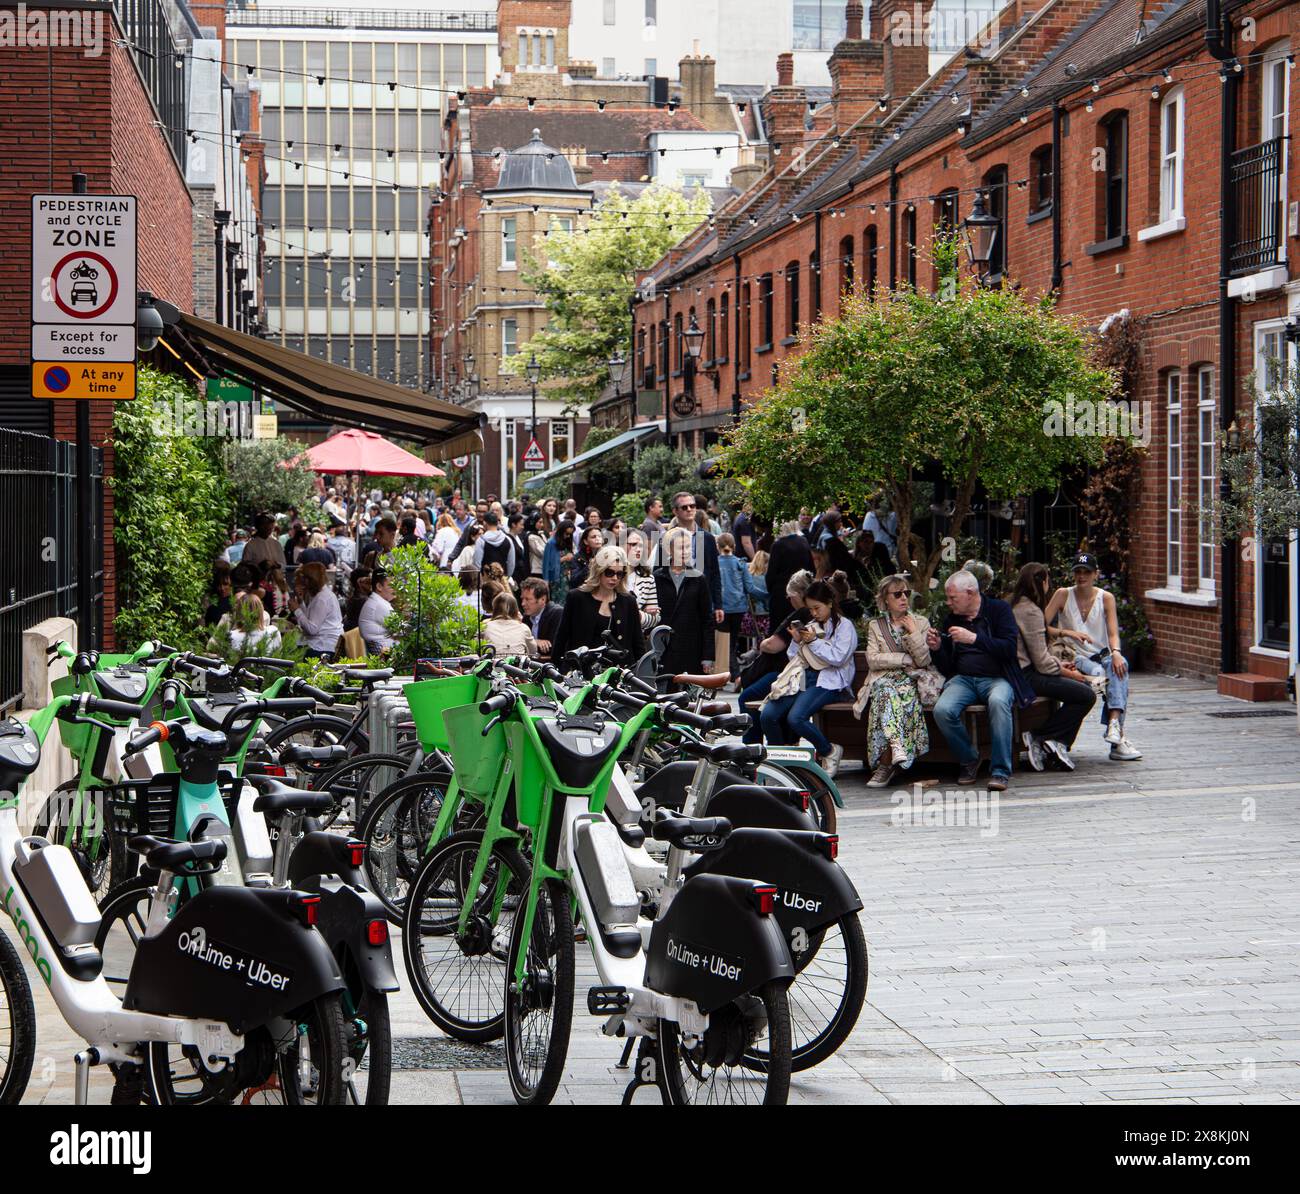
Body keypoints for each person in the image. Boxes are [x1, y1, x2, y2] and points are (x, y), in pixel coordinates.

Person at [926, 569, 1036, 791]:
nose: (948, 603)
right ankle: (969, 759)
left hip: (998, 678)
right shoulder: (952, 619)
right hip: (964, 679)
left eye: (952, 598)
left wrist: (974, 638)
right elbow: (947, 666)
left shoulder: (999, 610)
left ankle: (1000, 772)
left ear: (970, 593)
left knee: (998, 702)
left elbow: (1007, 649)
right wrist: (937, 649)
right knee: (942, 710)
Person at [1044, 553, 1141, 761]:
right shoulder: (1063, 594)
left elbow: (1113, 634)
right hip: (1074, 657)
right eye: (1078, 571)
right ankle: (1118, 739)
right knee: (1100, 680)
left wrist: (1116, 653)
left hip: (1102, 655)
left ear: (1095, 574)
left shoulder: (1106, 598)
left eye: (1086, 572)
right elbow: (1041, 626)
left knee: (1119, 666)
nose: (1081, 576)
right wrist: (1067, 633)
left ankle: (1114, 726)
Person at [757, 578, 857, 777]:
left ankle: (829, 750)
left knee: (796, 718)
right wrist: (797, 642)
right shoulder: (811, 625)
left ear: (829, 603)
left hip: (830, 682)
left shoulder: (845, 627)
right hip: (802, 679)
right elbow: (794, 658)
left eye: (817, 608)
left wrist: (812, 643)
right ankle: (782, 762)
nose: (813, 613)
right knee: (767, 715)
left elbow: (837, 658)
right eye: (810, 609)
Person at [1012, 563, 1097, 772]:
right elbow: (1041, 663)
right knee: (1086, 694)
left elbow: (1039, 654)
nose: (1049, 586)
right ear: (1041, 582)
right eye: (1047, 581)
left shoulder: (1016, 605)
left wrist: (1061, 665)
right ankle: (1043, 737)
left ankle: (1055, 742)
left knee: (1078, 691)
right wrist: (1074, 675)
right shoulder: (1030, 611)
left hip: (1025, 671)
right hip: (1026, 676)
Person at [854, 574, 937, 788]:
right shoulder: (875, 625)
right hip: (884, 679)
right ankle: (896, 746)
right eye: (897, 594)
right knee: (885, 690)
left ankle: (886, 764)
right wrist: (903, 658)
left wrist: (913, 633)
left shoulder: (920, 622)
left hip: (911, 681)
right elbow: (872, 660)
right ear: (885, 600)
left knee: (890, 697)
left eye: (906, 593)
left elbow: (924, 660)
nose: (903, 598)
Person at [739, 569, 814, 744]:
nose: (789, 600)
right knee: (760, 702)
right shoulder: (807, 614)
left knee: (747, 697)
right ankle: (764, 745)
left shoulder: (801, 614)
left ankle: (751, 747)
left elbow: (773, 646)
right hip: (792, 673)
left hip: (787, 674)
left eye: (790, 596)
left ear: (799, 594)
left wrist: (763, 644)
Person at [551, 545, 643, 663]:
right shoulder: (576, 598)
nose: (614, 578)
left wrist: (643, 673)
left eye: (619, 574)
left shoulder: (628, 601)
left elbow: (637, 642)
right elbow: (562, 636)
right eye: (609, 572)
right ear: (599, 570)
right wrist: (554, 669)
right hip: (581, 673)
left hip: (618, 673)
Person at [653, 526, 715, 679]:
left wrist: (708, 656)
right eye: (681, 547)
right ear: (669, 550)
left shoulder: (698, 578)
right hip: (664, 647)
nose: (686, 551)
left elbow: (707, 619)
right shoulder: (657, 577)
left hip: (691, 647)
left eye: (688, 547)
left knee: (689, 698)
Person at [656, 492, 722, 624]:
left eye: (692, 506)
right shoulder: (666, 538)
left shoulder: (708, 538)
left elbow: (715, 573)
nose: (689, 509)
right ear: (675, 511)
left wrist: (719, 605)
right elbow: (659, 571)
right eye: (684, 507)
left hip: (702, 603)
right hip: (674, 603)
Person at [717, 533, 764, 678]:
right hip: (739, 607)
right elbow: (750, 588)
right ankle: (734, 674)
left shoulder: (715, 563)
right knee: (733, 641)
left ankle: (733, 675)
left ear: (717, 547)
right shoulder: (741, 564)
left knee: (724, 644)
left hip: (721, 608)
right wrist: (767, 596)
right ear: (734, 547)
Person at [766, 519, 815, 630]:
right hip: (800, 591)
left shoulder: (778, 545)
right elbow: (812, 569)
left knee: (780, 629)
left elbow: (771, 575)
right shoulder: (803, 542)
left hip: (781, 594)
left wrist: (771, 590)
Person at [290, 562, 344, 659]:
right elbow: (310, 619)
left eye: (304, 579)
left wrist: (296, 609)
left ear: (310, 580)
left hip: (323, 648)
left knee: (289, 652)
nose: (303, 582)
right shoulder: (321, 595)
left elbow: (312, 629)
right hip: (323, 644)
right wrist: (301, 602)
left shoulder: (322, 598)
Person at [209, 590, 282, 655]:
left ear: (239, 611)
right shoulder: (273, 631)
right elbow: (278, 657)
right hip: (267, 669)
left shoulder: (232, 636)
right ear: (261, 611)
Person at [624, 529, 660, 633]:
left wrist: (640, 616)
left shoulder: (648, 578)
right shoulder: (611, 574)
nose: (638, 549)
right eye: (633, 544)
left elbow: (656, 618)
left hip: (634, 636)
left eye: (641, 546)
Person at [483, 591, 537, 657]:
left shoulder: (485, 627)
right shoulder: (523, 628)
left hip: (491, 665)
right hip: (516, 666)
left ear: (494, 609)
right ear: (516, 610)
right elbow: (533, 651)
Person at [520, 578, 563, 655]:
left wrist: (531, 642)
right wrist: (535, 641)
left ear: (542, 599)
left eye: (527, 599)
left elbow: (552, 647)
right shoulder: (526, 617)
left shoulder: (556, 614)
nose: (523, 604)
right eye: (522, 599)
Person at [357, 568, 396, 654]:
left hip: (385, 652)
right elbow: (401, 630)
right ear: (379, 586)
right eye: (391, 586)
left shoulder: (377, 602)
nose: (395, 589)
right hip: (385, 657)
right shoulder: (379, 605)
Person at [474, 512, 516, 579]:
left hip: (486, 580)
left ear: (484, 523)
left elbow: (477, 563)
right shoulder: (508, 540)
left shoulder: (481, 540)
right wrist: (507, 577)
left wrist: (480, 578)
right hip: (502, 579)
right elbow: (511, 563)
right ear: (497, 522)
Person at [543, 521, 576, 604]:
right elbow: (546, 563)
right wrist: (546, 580)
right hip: (555, 578)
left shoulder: (567, 541)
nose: (568, 536)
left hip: (567, 577)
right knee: (557, 603)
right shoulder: (551, 543)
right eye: (566, 533)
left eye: (570, 534)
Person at [570, 525, 605, 590]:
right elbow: (574, 581)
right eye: (593, 537)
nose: (597, 539)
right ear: (586, 541)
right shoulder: (578, 557)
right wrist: (589, 566)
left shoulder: (608, 554)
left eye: (600, 536)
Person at [505, 512, 530, 590]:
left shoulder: (519, 537)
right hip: (515, 575)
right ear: (513, 524)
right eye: (521, 524)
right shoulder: (508, 539)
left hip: (521, 574)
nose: (523, 527)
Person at [343, 567, 372, 631]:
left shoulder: (354, 598)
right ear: (361, 582)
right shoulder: (363, 601)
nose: (372, 584)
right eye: (369, 581)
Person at [524, 513, 548, 578]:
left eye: (542, 522)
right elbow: (541, 552)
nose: (542, 525)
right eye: (539, 522)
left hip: (544, 568)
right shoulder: (531, 537)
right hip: (536, 570)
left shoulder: (541, 534)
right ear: (533, 523)